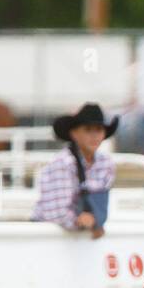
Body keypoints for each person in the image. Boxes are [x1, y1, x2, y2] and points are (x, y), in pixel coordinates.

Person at [33, 102, 117, 239]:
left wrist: (96, 221)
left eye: (99, 130)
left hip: (79, 238)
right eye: (88, 130)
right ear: (74, 133)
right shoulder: (62, 163)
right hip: (48, 239)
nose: (94, 135)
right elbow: (55, 212)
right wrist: (80, 221)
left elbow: (101, 202)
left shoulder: (106, 163)